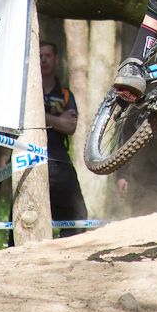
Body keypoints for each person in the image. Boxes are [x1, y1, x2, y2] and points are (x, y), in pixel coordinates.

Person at [40, 41, 88, 237]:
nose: (43, 60)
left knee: (78, 217)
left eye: (48, 56)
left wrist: (42, 116)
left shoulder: (66, 94)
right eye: (39, 56)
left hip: (59, 161)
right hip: (27, 162)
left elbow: (70, 126)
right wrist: (56, 120)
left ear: (56, 59)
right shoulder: (25, 93)